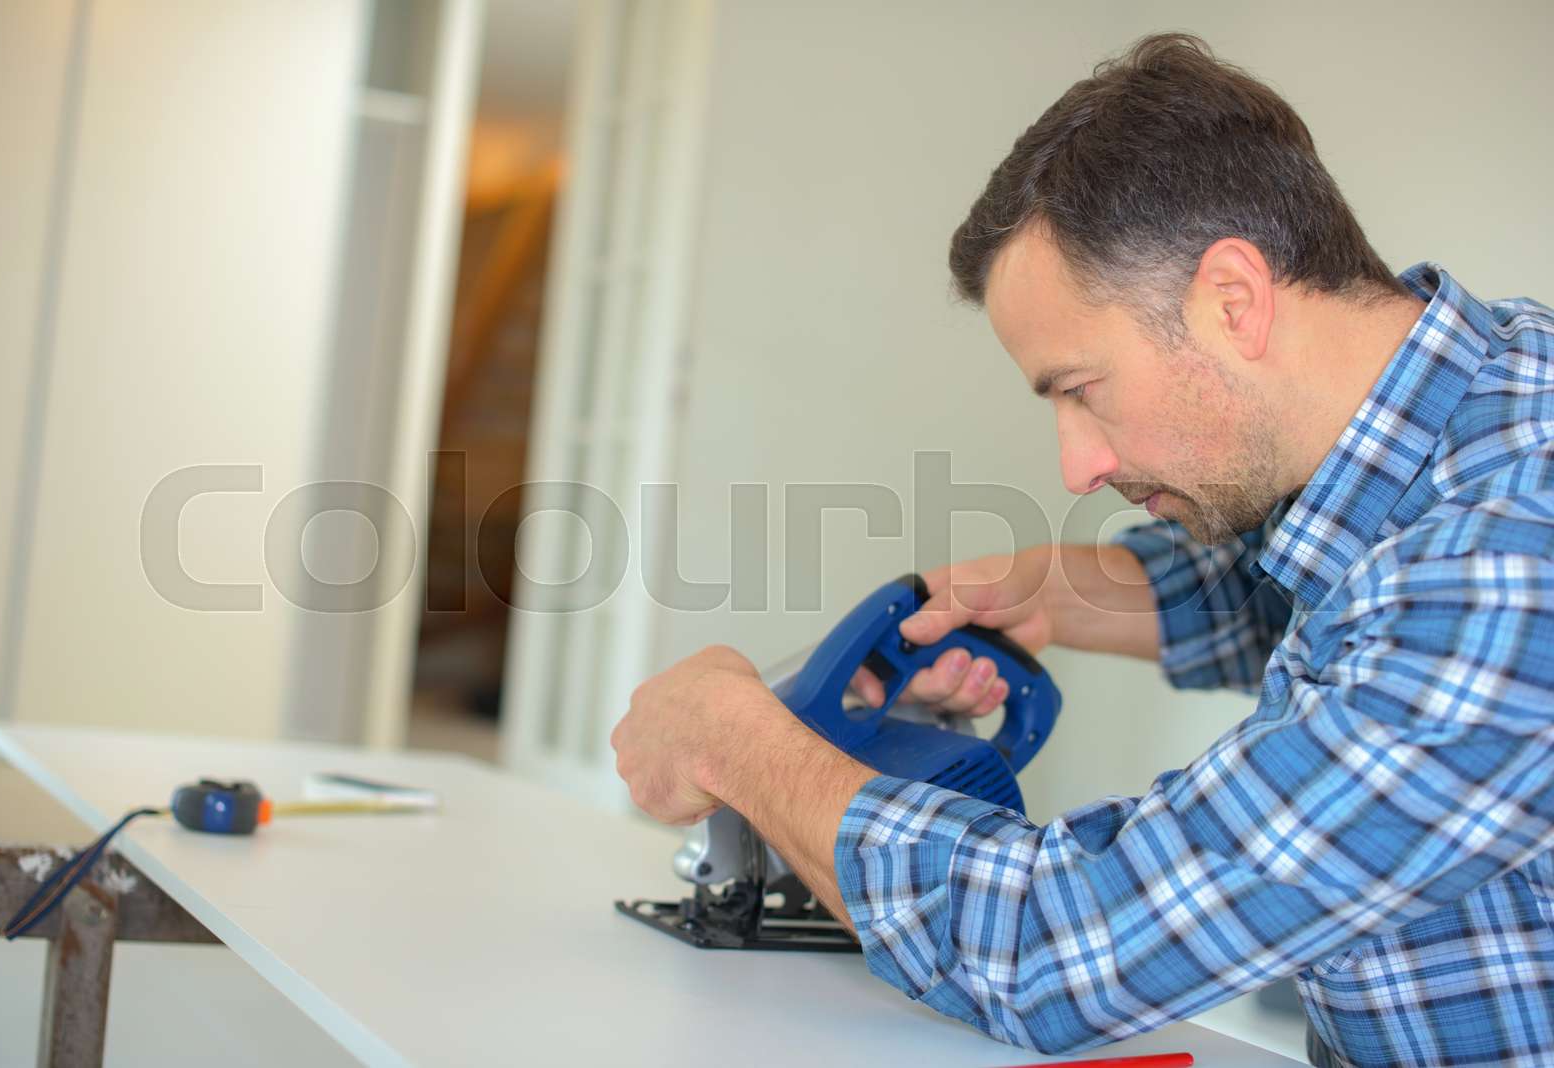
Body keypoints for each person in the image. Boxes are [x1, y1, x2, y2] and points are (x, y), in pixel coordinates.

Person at [610, 32, 1554, 1067]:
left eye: (1077, 388)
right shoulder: (1479, 397)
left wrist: (736, 744)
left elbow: (1054, 948)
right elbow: (1300, 597)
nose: (1076, 465)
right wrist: (1051, 594)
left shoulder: (1506, 557)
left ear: (1232, 301)